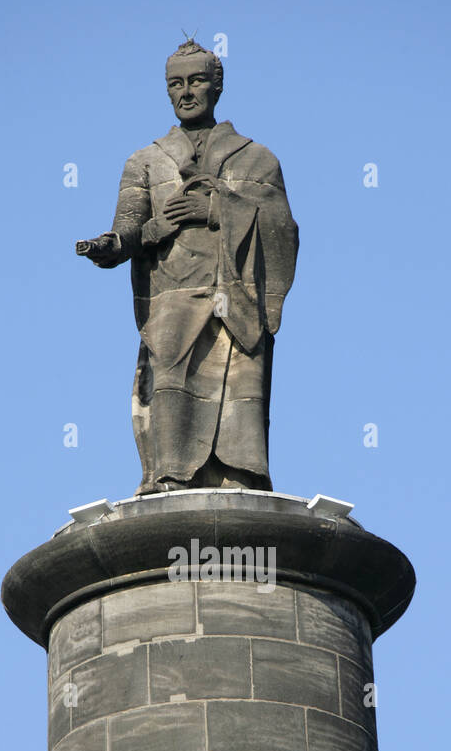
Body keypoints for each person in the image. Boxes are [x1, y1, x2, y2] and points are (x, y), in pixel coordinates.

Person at [76, 39, 298, 494]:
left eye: (197, 81)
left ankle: (240, 475)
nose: (186, 92)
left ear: (217, 86)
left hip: (236, 294)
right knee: (171, 381)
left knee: (240, 384)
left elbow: (281, 228)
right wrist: (112, 245)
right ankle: (170, 477)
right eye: (175, 84)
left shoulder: (257, 159)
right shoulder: (145, 161)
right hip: (172, 295)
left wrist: (217, 208)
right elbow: (130, 227)